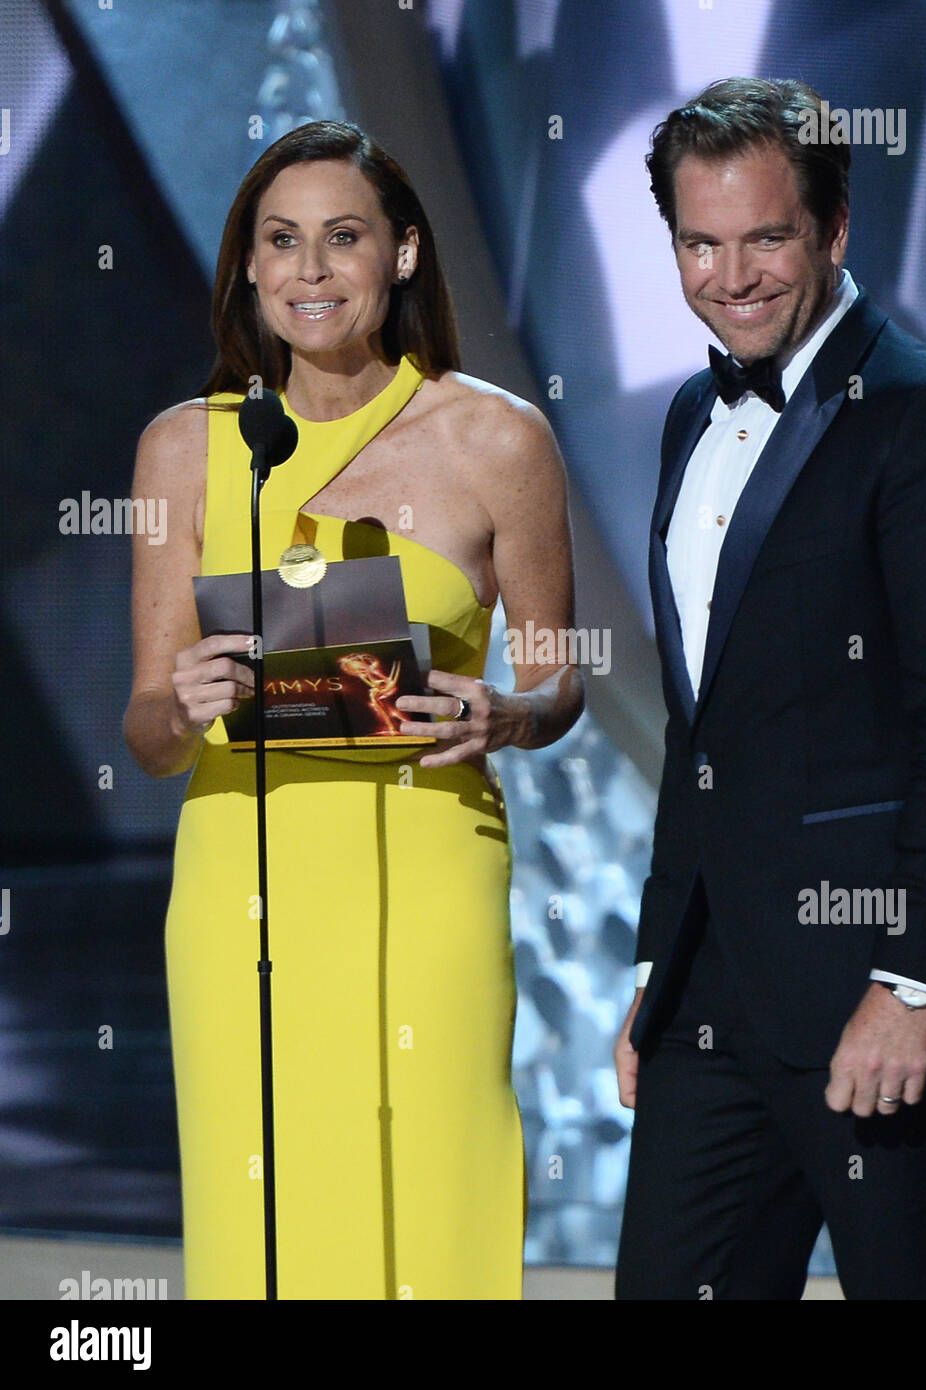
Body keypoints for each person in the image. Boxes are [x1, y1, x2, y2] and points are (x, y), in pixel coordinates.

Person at [124, 119, 584, 1299]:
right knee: (263, 1208)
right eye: (280, 242)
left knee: (427, 1184)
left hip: (427, 856)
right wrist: (182, 705)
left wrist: (510, 714)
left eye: (342, 238)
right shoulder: (183, 450)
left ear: (404, 255)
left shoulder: (496, 438)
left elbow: (559, 671)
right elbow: (147, 732)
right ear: (249, 268)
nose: (310, 271)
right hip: (243, 877)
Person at [613, 78, 926, 1300]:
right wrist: (659, 964)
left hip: (884, 1000)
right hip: (713, 998)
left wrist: (912, 983)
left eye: (765, 237)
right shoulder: (692, 414)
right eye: (700, 242)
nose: (730, 274)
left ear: (834, 229)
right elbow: (705, 726)